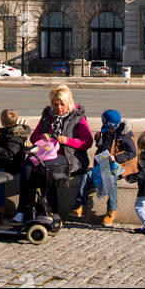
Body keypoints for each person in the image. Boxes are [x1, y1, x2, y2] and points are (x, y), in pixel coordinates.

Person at [12, 83, 92, 224]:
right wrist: (42, 137)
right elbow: (34, 137)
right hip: (46, 153)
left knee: (46, 169)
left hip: (68, 155)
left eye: (62, 104)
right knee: (27, 166)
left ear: (69, 103)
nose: (59, 108)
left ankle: (51, 209)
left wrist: (68, 140)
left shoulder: (78, 118)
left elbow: (87, 142)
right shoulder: (47, 116)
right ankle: (24, 208)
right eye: (56, 104)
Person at [72, 108, 137, 226]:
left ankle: (112, 211)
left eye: (109, 127)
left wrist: (115, 157)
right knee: (87, 176)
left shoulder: (125, 135)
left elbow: (133, 153)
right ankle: (79, 205)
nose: (108, 130)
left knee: (110, 179)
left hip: (120, 166)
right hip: (104, 163)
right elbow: (104, 149)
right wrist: (99, 140)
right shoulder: (107, 132)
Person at [0, 108, 31, 214]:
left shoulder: (14, 135)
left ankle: (0, 208)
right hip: (1, 162)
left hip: (11, 166)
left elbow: (10, 153)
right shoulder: (5, 132)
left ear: (2, 121)